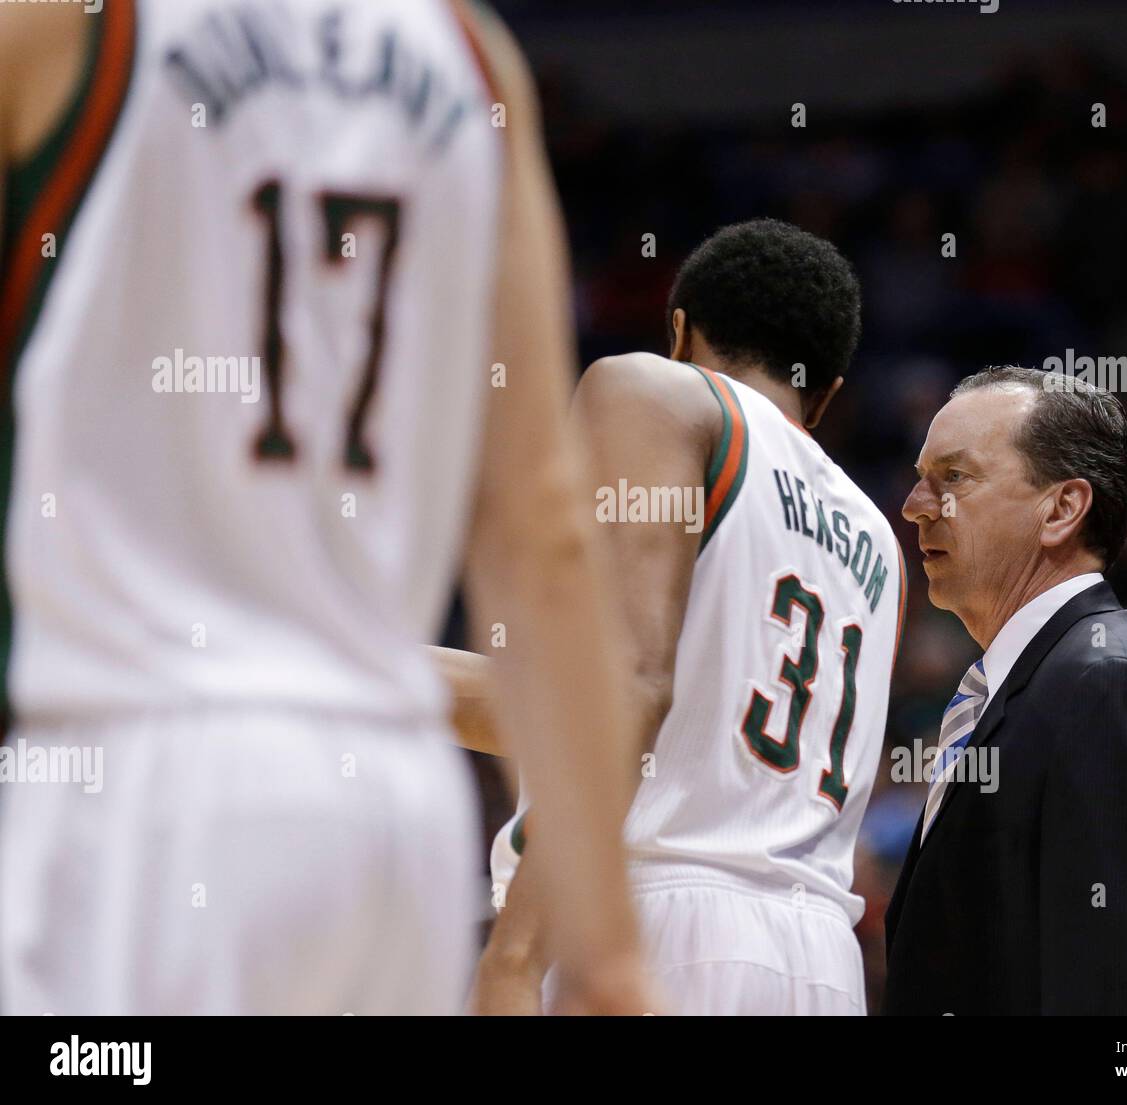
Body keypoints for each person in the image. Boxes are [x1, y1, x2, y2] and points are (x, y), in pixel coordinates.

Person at [0, 0, 648, 1014]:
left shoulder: (65, 27)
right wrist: (611, 962)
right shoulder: (474, 62)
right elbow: (542, 530)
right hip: (390, 810)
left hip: (129, 784)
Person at [459, 218, 906, 1015]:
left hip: (656, 920)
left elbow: (629, 681)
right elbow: (633, 714)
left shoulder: (656, 392)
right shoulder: (877, 538)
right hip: (821, 960)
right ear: (827, 393)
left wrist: (514, 956)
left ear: (678, 331)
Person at [885, 365, 1127, 1015]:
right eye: (918, 477)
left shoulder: (1106, 686)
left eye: (953, 478)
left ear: (1062, 507)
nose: (914, 505)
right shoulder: (1042, 683)